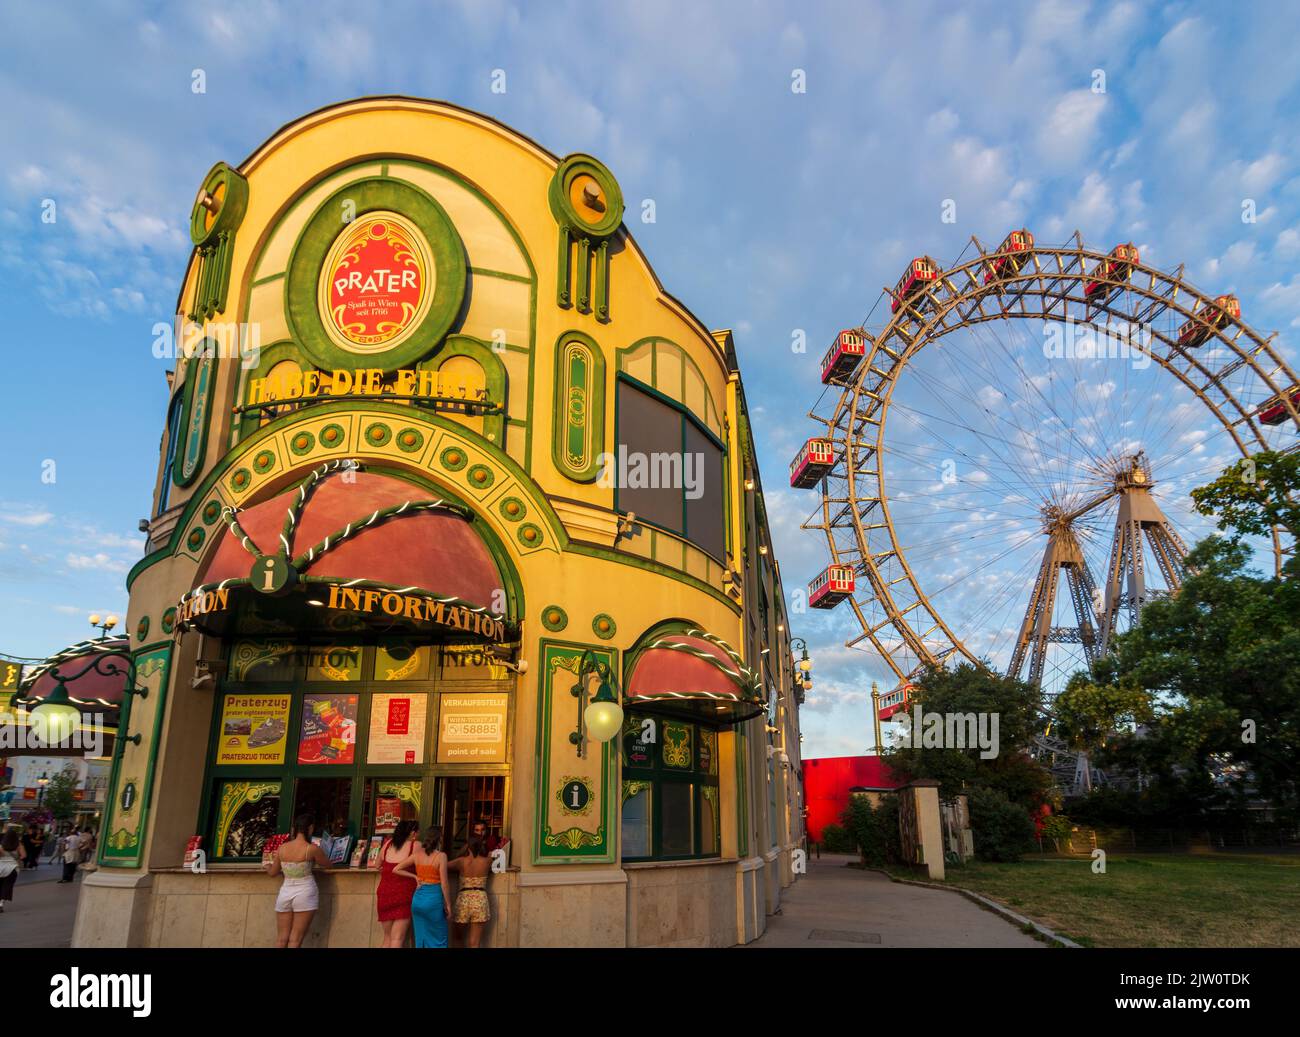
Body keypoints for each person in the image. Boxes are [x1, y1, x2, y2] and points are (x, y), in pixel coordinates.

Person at [264, 814, 330, 948]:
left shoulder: (282, 848)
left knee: (281, 939)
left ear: (294, 828)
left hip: (285, 892)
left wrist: (267, 865)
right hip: (305, 892)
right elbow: (328, 864)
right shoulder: (311, 849)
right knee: (295, 939)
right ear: (310, 828)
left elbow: (272, 873)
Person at [395, 826, 450, 948]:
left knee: (421, 939)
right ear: (439, 839)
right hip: (433, 900)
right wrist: (448, 904)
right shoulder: (441, 856)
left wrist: (415, 876)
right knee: (439, 938)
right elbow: (444, 883)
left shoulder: (417, 855)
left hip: (417, 900)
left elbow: (396, 869)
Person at [375, 820, 418, 948]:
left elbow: (377, 865)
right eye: (417, 832)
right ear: (412, 833)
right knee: (397, 939)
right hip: (404, 894)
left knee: (387, 938)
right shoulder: (415, 846)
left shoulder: (388, 844)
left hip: (384, 894)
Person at [446, 832, 492, 948]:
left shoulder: (461, 861)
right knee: (474, 943)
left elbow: (442, 865)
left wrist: (462, 851)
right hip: (480, 900)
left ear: (467, 846)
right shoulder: (487, 861)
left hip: (464, 900)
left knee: (457, 938)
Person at [0, 830, 24, 912]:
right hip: (13, 868)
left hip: (1, 867)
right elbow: (24, 855)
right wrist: (16, 858)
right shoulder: (19, 845)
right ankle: (1, 904)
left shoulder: (1, 846)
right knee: (7, 886)